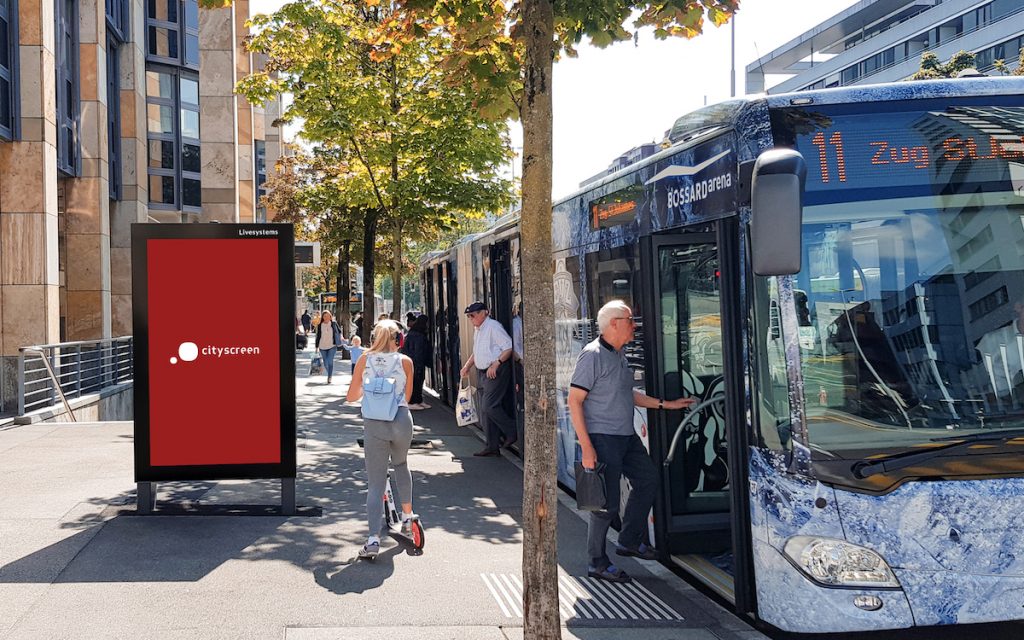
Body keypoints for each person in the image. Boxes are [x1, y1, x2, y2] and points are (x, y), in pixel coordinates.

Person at [569, 300, 695, 583]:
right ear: (614, 323)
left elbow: (628, 394)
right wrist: (587, 446)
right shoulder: (592, 356)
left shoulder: (619, 354)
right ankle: (596, 562)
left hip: (625, 436)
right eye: (630, 320)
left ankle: (628, 540)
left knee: (648, 479)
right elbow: (574, 400)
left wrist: (667, 405)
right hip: (603, 438)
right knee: (605, 504)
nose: (634, 326)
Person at [345, 320, 417, 560]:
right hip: (402, 421)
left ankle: (373, 539)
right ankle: (408, 519)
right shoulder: (406, 361)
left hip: (375, 424)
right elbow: (406, 396)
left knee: (375, 483)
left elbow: (351, 396)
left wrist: (370, 390)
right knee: (401, 465)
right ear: (399, 339)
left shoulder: (365, 359)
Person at [459, 301, 517, 456]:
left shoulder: (493, 327)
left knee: (489, 406)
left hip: (494, 371)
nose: (471, 319)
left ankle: (512, 430)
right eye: (469, 316)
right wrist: (467, 366)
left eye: (473, 315)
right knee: (485, 411)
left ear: (484, 313)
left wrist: (497, 363)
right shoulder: (478, 329)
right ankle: (492, 446)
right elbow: (476, 351)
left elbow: (508, 347)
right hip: (482, 371)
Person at [402, 314, 433, 410]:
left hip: (413, 361)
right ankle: (413, 401)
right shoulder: (419, 335)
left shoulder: (412, 333)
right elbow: (418, 351)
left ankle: (417, 400)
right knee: (417, 381)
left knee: (417, 381)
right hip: (416, 362)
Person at [314, 310, 343, 384]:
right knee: (325, 363)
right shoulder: (320, 325)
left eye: (328, 316)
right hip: (322, 346)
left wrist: (341, 338)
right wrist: (316, 347)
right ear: (322, 317)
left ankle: (329, 377)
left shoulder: (334, 323)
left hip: (332, 346)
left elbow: (339, 331)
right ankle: (329, 373)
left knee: (330, 361)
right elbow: (318, 336)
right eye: (324, 316)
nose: (326, 317)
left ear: (330, 317)